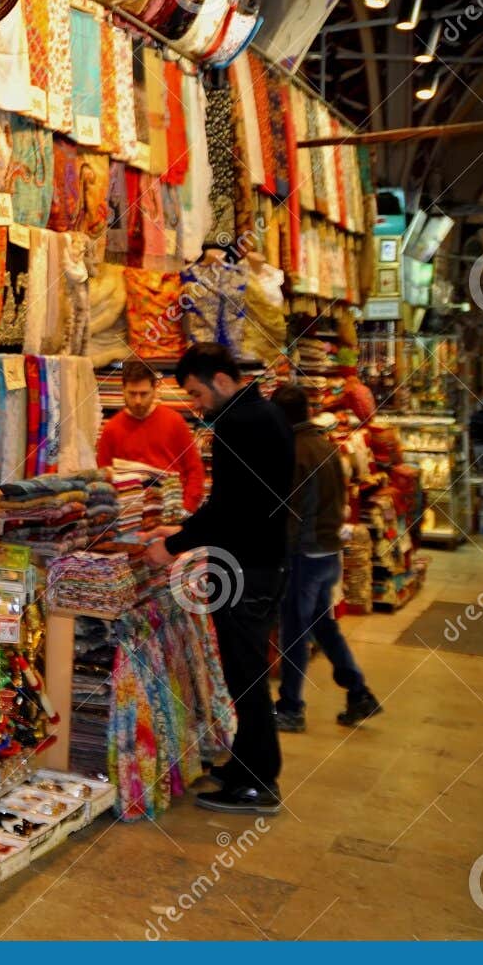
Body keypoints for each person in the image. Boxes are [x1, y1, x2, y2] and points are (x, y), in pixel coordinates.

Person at [143, 344, 294, 815]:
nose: (195, 404)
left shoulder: (237, 423)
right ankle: (245, 765)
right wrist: (184, 530)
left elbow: (230, 508)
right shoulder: (264, 414)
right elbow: (231, 502)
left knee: (247, 677)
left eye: (195, 393)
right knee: (244, 671)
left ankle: (258, 782)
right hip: (262, 562)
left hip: (246, 569)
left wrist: (170, 547)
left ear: (220, 381)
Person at [269, 385, 383, 732]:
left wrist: (279, 556)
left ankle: (291, 706)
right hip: (328, 551)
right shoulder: (326, 447)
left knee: (294, 631)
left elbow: (292, 513)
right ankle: (358, 692)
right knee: (322, 625)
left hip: (304, 554)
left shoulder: (293, 452)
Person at [96, 359, 205, 513]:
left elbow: (194, 469)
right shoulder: (111, 429)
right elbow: (105, 480)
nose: (138, 401)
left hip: (171, 510)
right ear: (123, 390)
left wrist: (186, 508)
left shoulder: (174, 421)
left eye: (144, 394)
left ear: (155, 389)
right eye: (132, 394)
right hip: (129, 516)